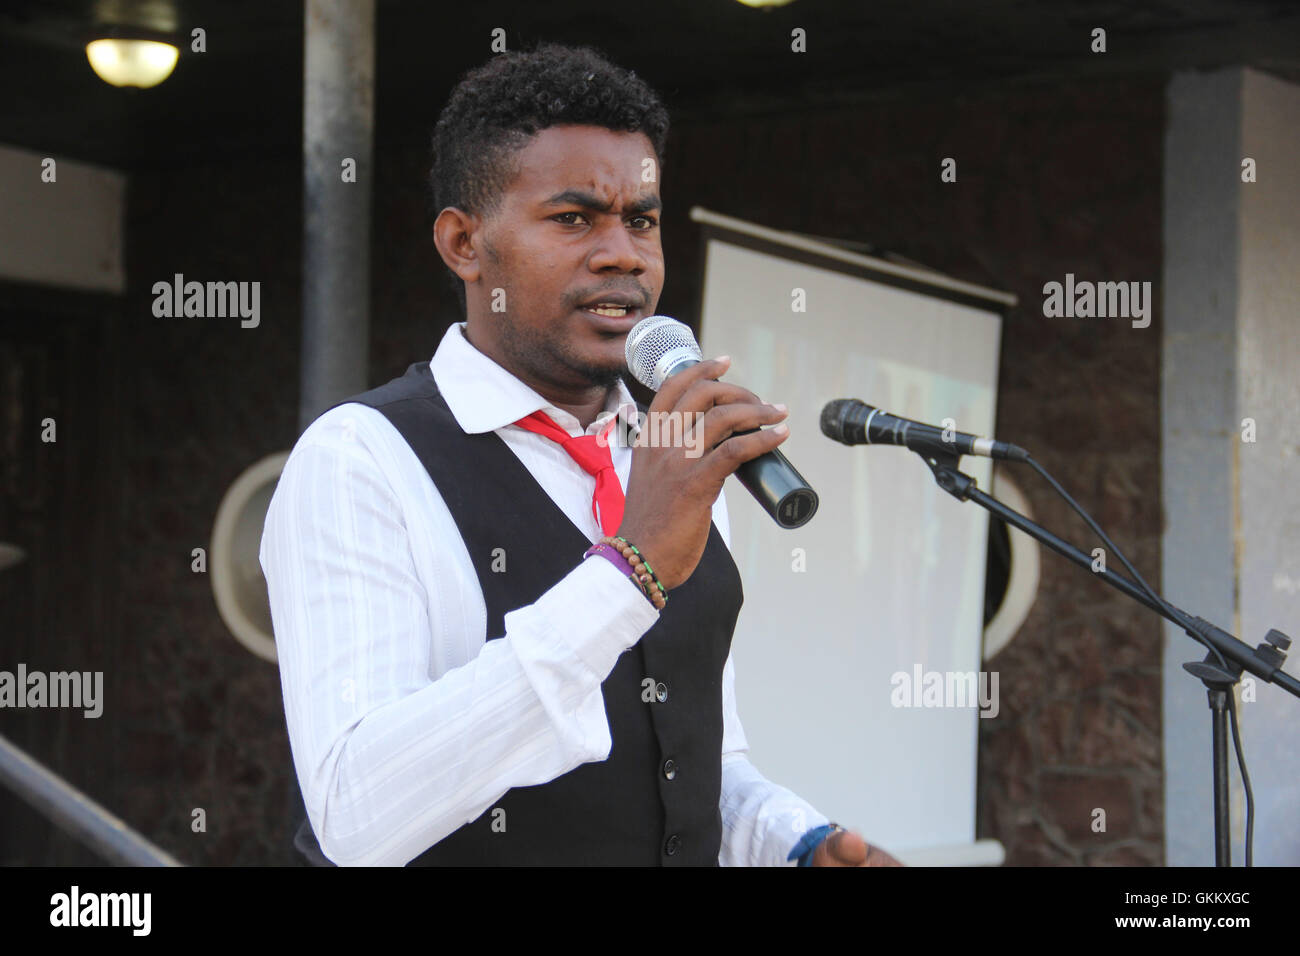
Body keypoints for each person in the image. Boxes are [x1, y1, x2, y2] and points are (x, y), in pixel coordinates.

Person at [261, 42, 901, 867]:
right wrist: (630, 570)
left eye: (641, 220)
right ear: (464, 244)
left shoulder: (674, 459)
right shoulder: (361, 461)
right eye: (573, 219)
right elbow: (357, 811)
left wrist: (792, 843)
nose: (623, 254)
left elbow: (689, 764)